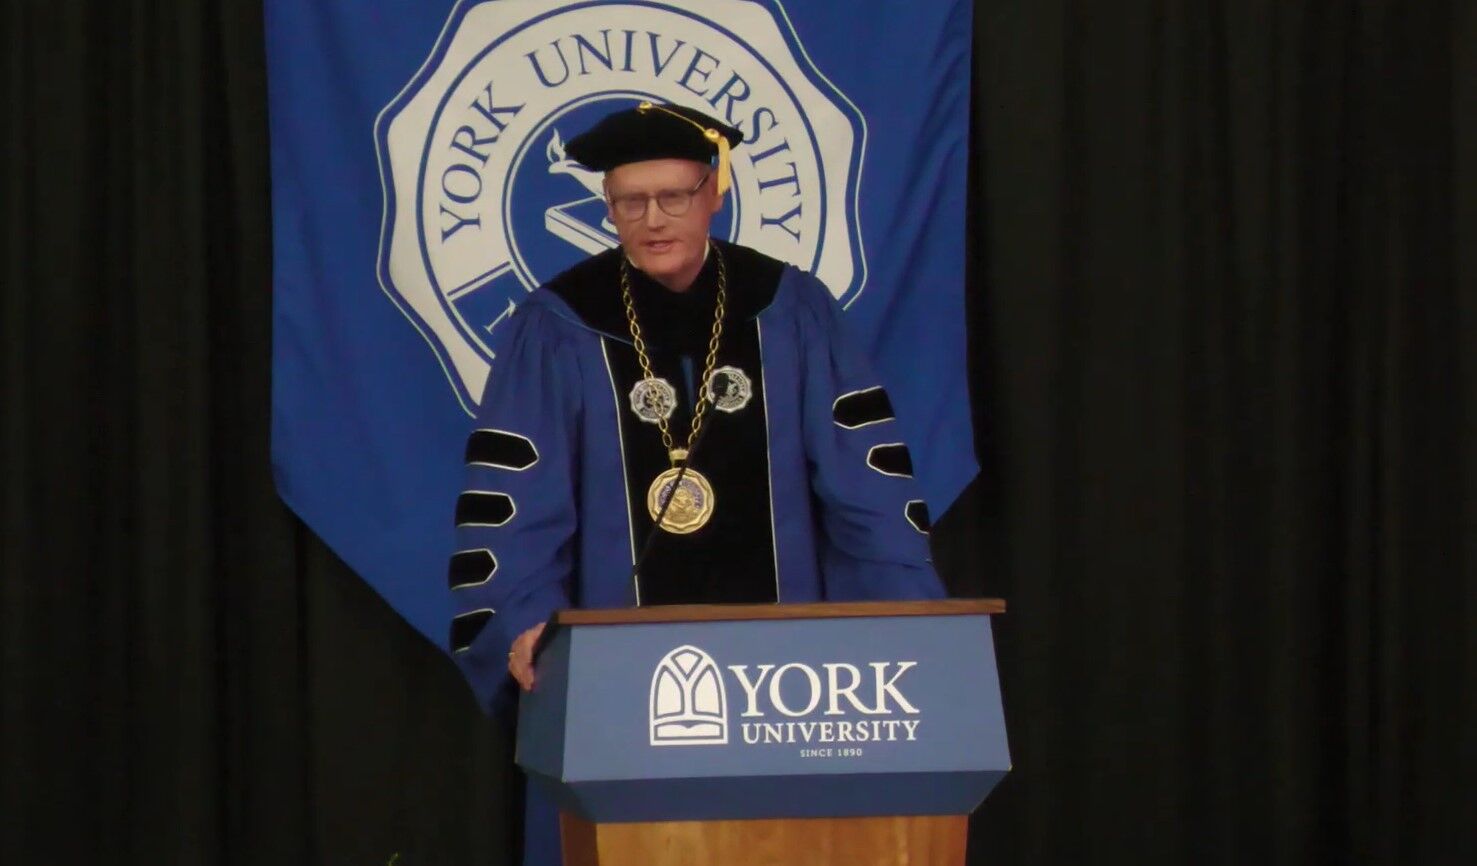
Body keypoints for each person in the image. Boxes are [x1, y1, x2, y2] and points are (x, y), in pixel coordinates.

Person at [446, 101, 945, 865]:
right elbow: (517, 499)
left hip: (793, 675)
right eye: (628, 202)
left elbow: (862, 481)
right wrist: (522, 615)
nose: (652, 219)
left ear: (713, 192)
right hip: (616, 665)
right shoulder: (559, 323)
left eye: (672, 196)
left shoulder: (788, 306)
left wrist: (904, 620)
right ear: (607, 208)